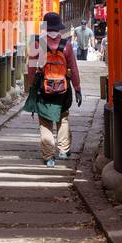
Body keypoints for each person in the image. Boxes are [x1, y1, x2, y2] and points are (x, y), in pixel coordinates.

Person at [23, 11, 83, 167]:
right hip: (63, 88)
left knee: (45, 121)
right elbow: (74, 69)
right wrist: (77, 88)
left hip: (44, 87)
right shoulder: (66, 44)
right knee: (63, 118)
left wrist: (30, 86)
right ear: (59, 27)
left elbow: (31, 68)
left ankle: (49, 157)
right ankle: (63, 150)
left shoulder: (38, 43)